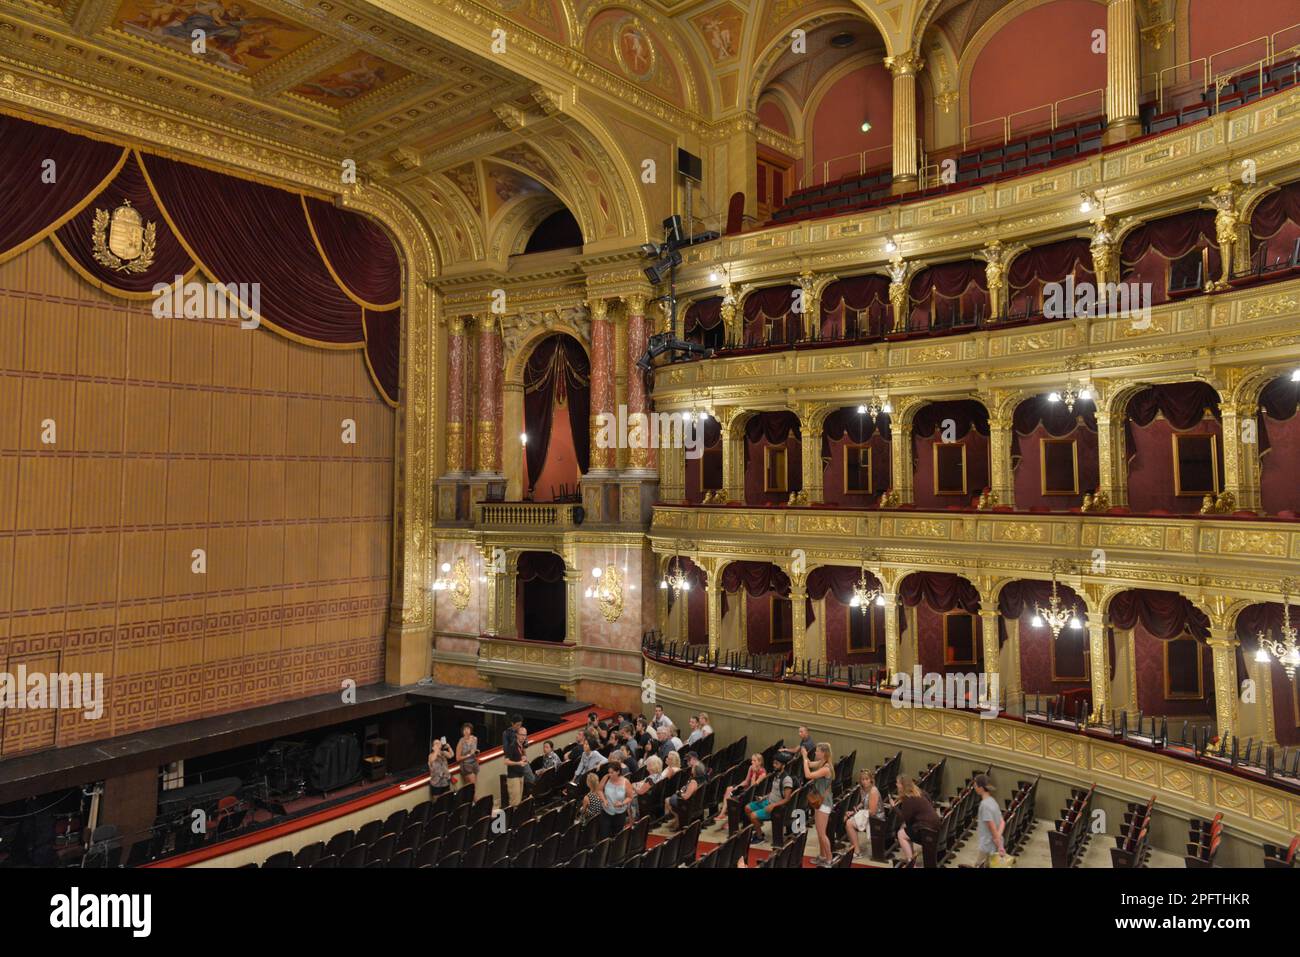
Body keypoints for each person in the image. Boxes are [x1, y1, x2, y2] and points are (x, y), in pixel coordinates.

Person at [745, 754, 794, 844]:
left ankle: (760, 837)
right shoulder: (776, 775)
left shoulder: (787, 779)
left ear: (783, 765)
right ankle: (758, 827)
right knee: (748, 807)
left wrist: (773, 805)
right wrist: (763, 798)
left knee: (753, 816)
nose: (774, 765)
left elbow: (787, 799)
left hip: (776, 808)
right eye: (774, 763)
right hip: (767, 801)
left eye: (777, 764)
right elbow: (773, 792)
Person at [895, 776, 941, 867]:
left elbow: (905, 818)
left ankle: (911, 863)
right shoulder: (921, 792)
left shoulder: (908, 798)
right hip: (936, 824)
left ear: (902, 785)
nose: (896, 785)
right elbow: (930, 803)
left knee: (901, 834)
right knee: (906, 832)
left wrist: (894, 807)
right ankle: (911, 860)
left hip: (927, 829)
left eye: (897, 783)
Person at [802, 742, 835, 866]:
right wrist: (805, 756)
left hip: (824, 804)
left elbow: (808, 774)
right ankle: (822, 856)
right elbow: (810, 764)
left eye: (817, 751)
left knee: (822, 833)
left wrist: (805, 762)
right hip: (820, 802)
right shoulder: (822, 763)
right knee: (819, 831)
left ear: (823, 753)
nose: (815, 753)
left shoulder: (826, 768)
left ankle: (829, 858)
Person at [717, 753, 766, 823]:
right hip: (746, 788)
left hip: (752, 792)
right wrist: (737, 787)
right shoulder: (750, 767)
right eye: (752, 760)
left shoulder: (763, 773)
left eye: (754, 761)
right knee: (729, 789)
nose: (752, 762)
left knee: (732, 797)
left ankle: (729, 818)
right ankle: (722, 813)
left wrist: (754, 773)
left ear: (760, 762)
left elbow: (752, 787)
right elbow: (746, 781)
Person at [844, 769, 882, 857]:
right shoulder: (863, 789)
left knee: (849, 823)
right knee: (847, 818)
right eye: (863, 779)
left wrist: (858, 814)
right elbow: (863, 803)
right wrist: (854, 811)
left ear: (871, 780)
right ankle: (854, 845)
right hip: (867, 814)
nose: (864, 781)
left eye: (866, 779)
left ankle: (857, 852)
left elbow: (872, 811)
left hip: (876, 817)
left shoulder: (873, 791)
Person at [665, 753, 708, 830]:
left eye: (693, 768)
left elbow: (685, 797)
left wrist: (679, 793)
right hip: (697, 803)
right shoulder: (703, 780)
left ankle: (678, 821)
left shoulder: (694, 782)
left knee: (668, 800)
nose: (691, 768)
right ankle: (676, 820)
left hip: (688, 804)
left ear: (696, 771)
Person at [973, 774, 1007, 867]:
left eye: (975, 785)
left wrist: (999, 844)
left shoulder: (984, 805)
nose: (974, 787)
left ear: (981, 788)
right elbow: (1002, 822)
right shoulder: (993, 801)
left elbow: (991, 827)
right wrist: (998, 838)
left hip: (987, 846)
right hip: (995, 844)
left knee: (978, 865)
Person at [599, 761, 634, 838]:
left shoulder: (626, 782)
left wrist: (622, 803)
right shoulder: (606, 778)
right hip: (606, 812)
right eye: (609, 772)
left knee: (616, 836)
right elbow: (600, 790)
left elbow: (630, 797)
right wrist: (604, 800)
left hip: (620, 813)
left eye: (612, 772)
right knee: (604, 835)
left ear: (618, 772)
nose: (610, 774)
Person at [504, 723, 527, 807]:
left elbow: (522, 756)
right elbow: (506, 761)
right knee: (514, 802)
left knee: (519, 801)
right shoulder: (512, 746)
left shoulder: (521, 746)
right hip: (513, 777)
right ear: (517, 735)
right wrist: (518, 763)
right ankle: (512, 819)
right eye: (521, 735)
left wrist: (524, 757)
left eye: (525, 735)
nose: (523, 737)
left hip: (521, 775)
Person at [455, 723, 479, 791]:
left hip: (474, 763)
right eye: (464, 729)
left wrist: (476, 752)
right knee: (473, 787)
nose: (466, 731)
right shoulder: (461, 742)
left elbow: (474, 751)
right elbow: (458, 758)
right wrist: (468, 755)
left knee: (472, 786)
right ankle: (475, 801)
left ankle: (471, 801)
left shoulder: (475, 739)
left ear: (471, 730)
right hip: (466, 765)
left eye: (468, 729)